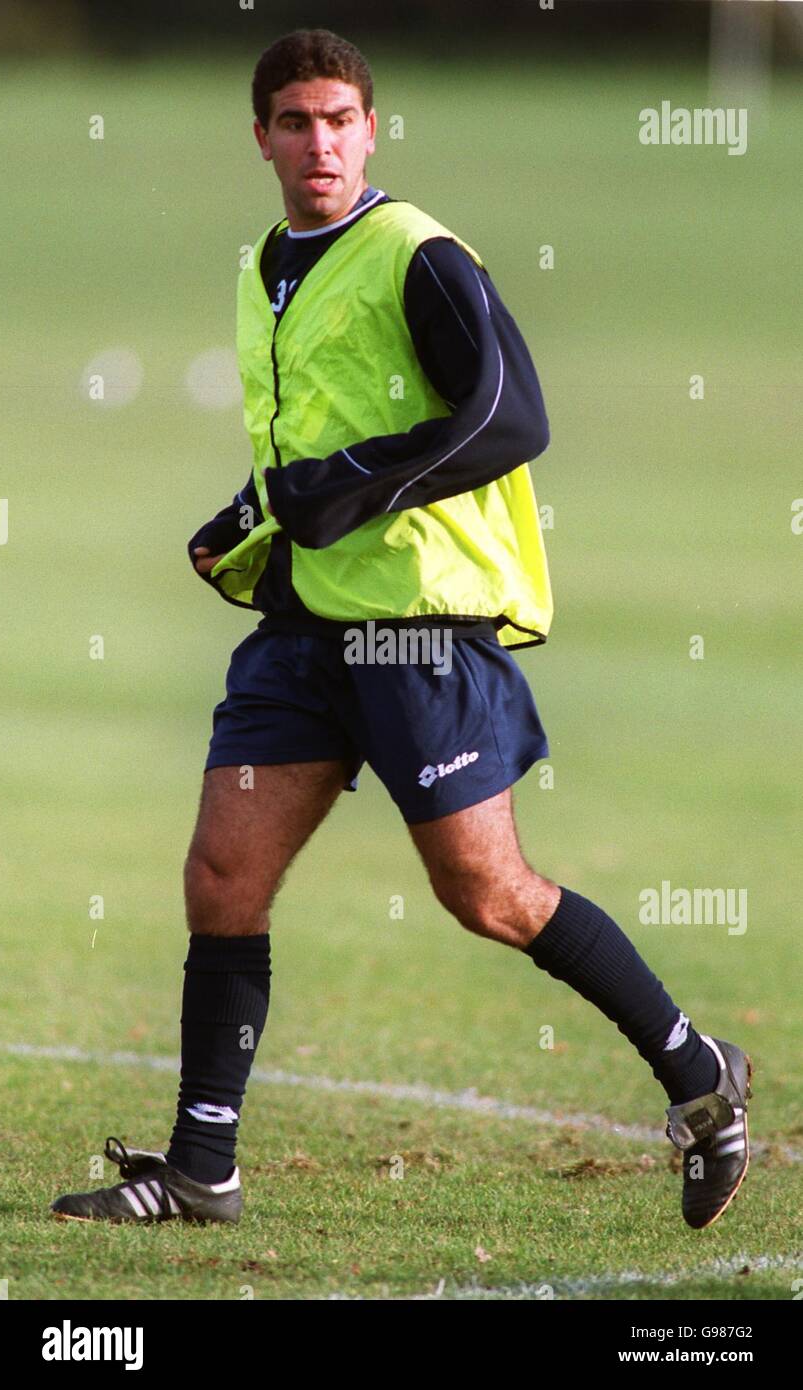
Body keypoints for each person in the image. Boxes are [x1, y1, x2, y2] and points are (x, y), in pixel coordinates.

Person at [52, 29, 751, 1231]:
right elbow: (305, 449)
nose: (317, 142)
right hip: (304, 625)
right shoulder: (266, 263)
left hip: (418, 628)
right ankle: (201, 1166)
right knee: (223, 874)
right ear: (259, 136)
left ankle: (700, 1078)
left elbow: (508, 414)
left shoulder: (411, 251)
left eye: (338, 120)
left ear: (371, 129)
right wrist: (250, 515)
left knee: (486, 893)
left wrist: (348, 484)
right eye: (293, 121)